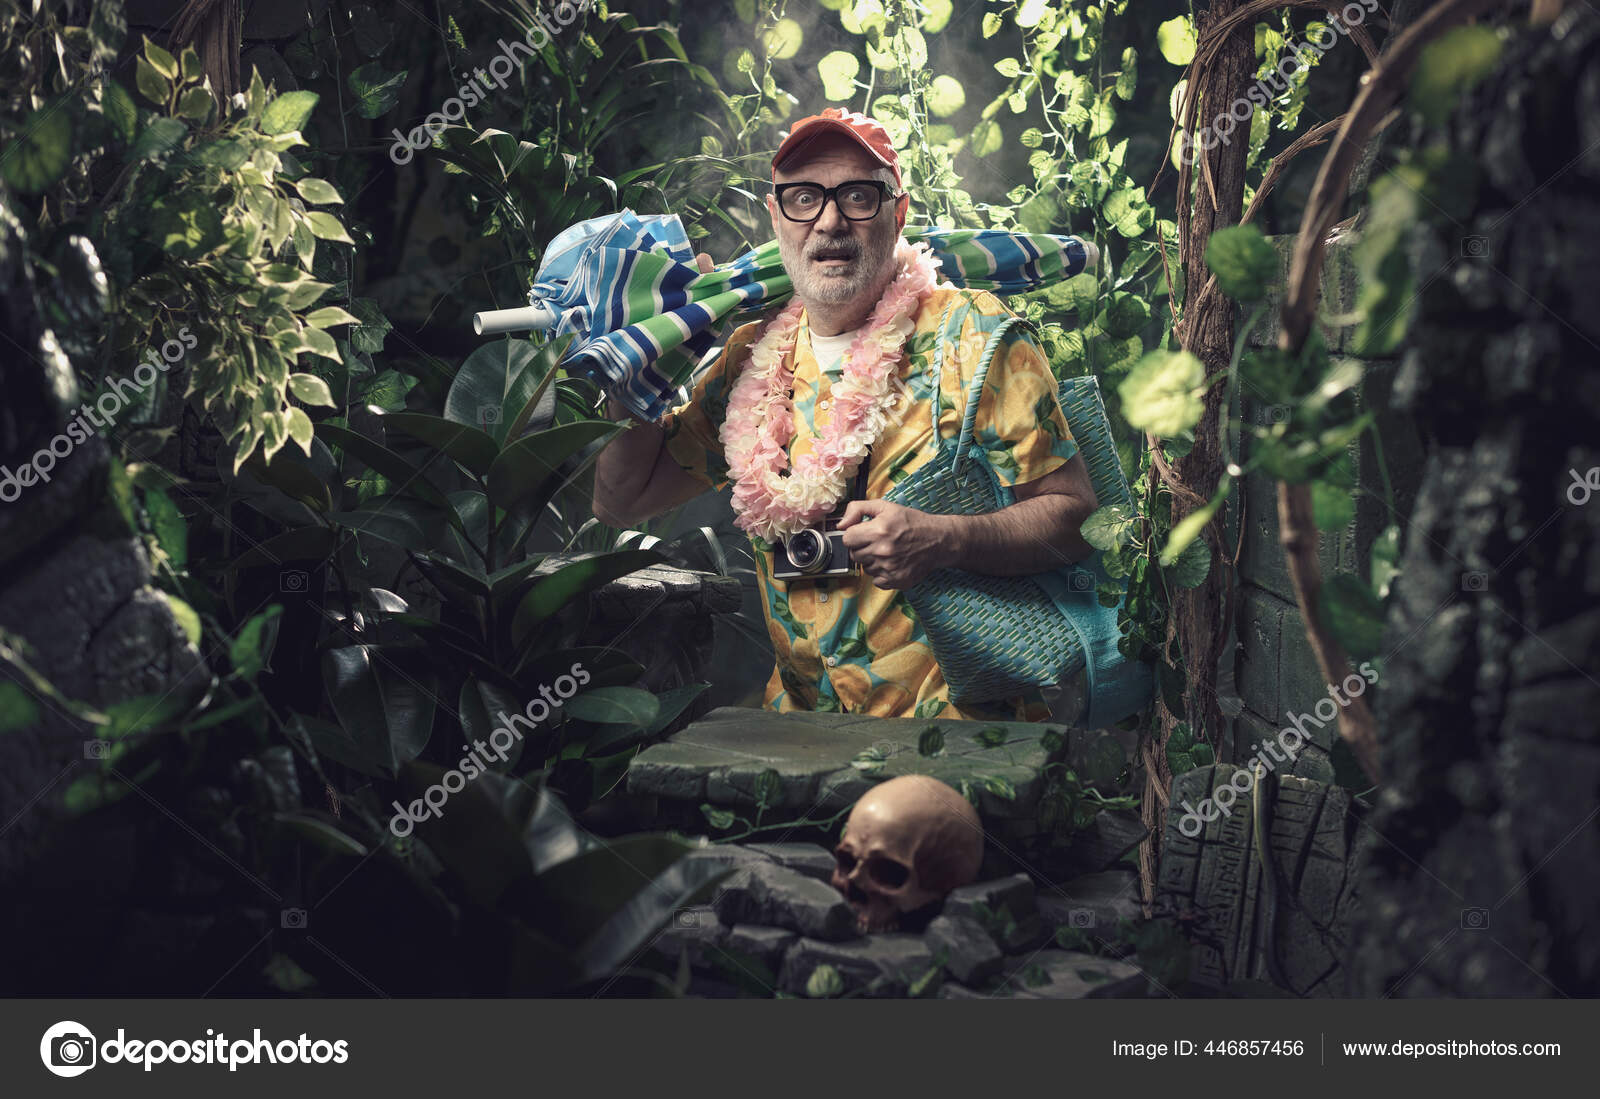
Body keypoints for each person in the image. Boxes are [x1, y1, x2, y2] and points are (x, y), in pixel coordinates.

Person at [592, 108, 1097, 721]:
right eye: (804, 197)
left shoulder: (973, 332)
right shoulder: (748, 356)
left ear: (897, 212)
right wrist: (638, 365)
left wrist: (943, 539)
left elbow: (1075, 521)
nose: (830, 221)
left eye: (858, 195)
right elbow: (624, 500)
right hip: (800, 723)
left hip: (953, 731)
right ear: (776, 216)